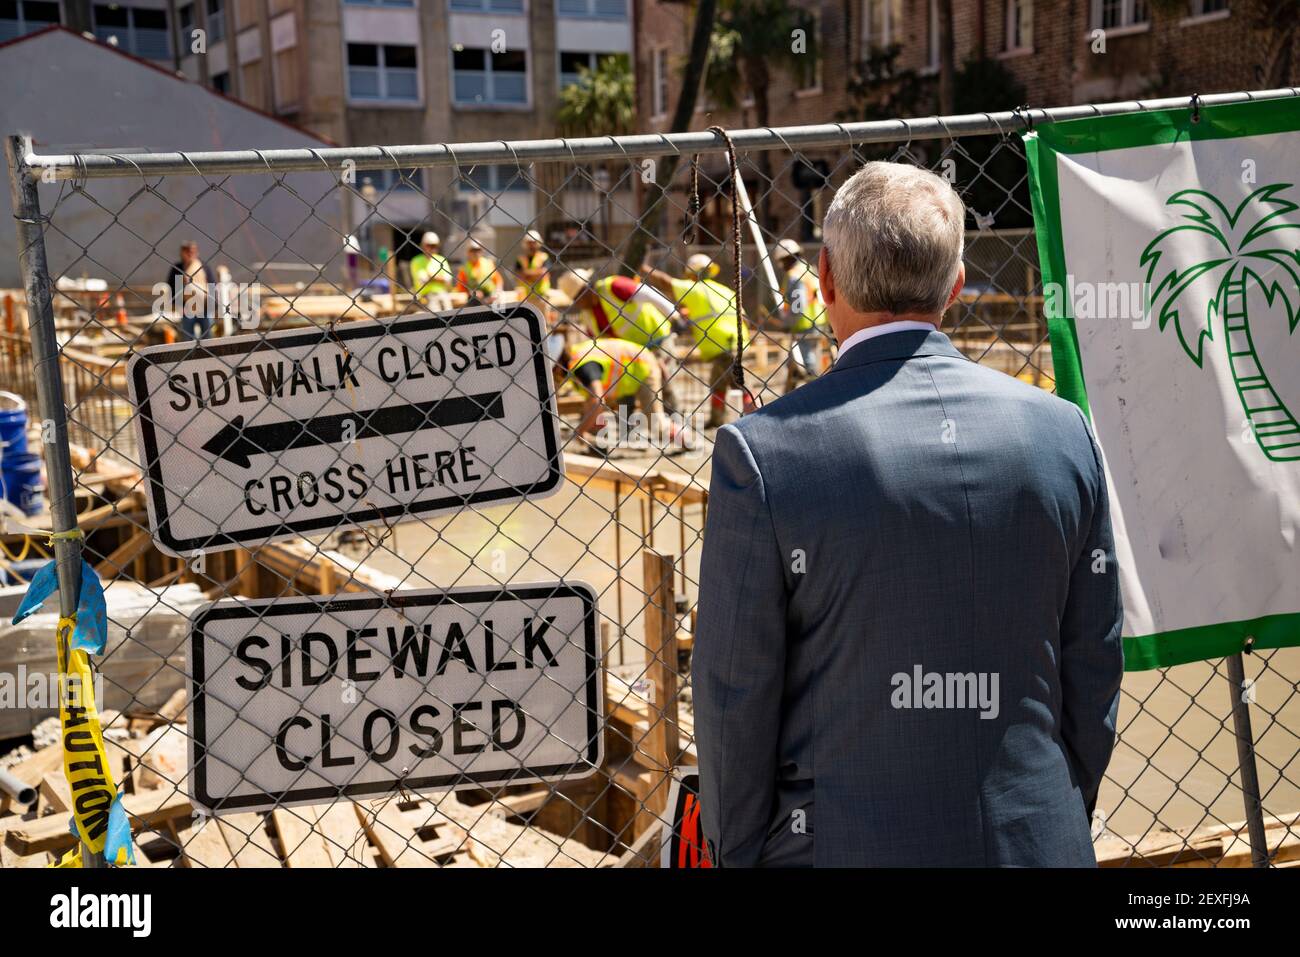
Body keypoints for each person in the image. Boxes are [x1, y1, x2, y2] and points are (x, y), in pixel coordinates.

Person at [692, 161, 1123, 867]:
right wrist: (1056, 803)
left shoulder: (764, 453)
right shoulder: (1063, 430)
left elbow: (735, 694)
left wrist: (740, 851)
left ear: (824, 278)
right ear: (955, 285)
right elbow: (1095, 659)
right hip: (1039, 839)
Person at [557, 268, 685, 413]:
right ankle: (629, 429)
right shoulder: (586, 316)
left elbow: (649, 294)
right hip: (631, 356)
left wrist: (674, 315)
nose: (579, 304)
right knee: (625, 392)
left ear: (587, 290)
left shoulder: (613, 287)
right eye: (575, 301)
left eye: (578, 299)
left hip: (656, 340)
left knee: (665, 383)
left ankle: (675, 419)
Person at [642, 253, 746, 428]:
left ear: (691, 275)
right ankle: (717, 420)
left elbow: (666, 282)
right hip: (735, 342)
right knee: (720, 383)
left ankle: (751, 414)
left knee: (739, 386)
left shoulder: (696, 289)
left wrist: (643, 267)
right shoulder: (724, 290)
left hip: (722, 345)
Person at [556, 337, 690, 453]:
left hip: (643, 369)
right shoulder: (577, 357)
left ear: (558, 362)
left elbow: (597, 400)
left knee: (656, 425)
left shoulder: (583, 366)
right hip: (629, 372)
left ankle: (688, 439)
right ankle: (598, 446)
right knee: (589, 408)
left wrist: (580, 431)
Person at [774, 238, 829, 393]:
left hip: (803, 324)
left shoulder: (794, 275)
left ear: (786, 259)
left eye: (781, 262)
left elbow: (798, 305)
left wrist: (787, 323)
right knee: (797, 360)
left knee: (806, 361)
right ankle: (790, 393)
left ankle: (815, 392)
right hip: (817, 319)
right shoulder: (808, 269)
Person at [167, 240, 217, 340]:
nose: (190, 254)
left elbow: (212, 285)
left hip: (205, 308)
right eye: (187, 251)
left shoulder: (203, 266)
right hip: (187, 310)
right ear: (182, 252)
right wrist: (178, 305)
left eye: (193, 251)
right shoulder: (177, 269)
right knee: (188, 338)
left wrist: (213, 305)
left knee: (208, 337)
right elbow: (171, 288)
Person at [410, 231, 453, 303]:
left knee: (449, 311)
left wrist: (432, 277)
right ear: (423, 246)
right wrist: (440, 278)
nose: (432, 248)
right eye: (429, 245)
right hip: (426, 295)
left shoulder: (441, 259)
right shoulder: (416, 261)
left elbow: (448, 279)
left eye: (434, 246)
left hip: (443, 293)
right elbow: (423, 279)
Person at [456, 239, 501, 305]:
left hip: (491, 296)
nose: (475, 253)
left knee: (499, 309)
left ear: (481, 251)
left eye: (478, 250)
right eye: (473, 250)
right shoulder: (464, 269)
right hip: (475, 299)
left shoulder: (488, 263)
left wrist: (497, 292)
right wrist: (471, 293)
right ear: (468, 252)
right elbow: (461, 288)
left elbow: (498, 280)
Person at [514, 229, 552, 307]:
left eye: (534, 243)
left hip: (541, 297)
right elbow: (519, 275)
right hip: (525, 298)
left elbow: (543, 273)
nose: (531, 245)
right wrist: (536, 274)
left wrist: (527, 274)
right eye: (529, 243)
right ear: (525, 244)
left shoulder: (544, 257)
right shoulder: (520, 259)